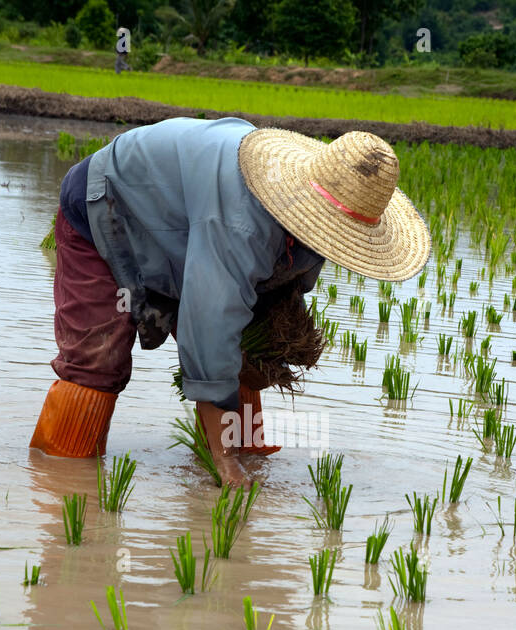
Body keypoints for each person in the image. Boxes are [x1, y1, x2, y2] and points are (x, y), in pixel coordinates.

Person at [29, 117, 430, 486]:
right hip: (108, 205)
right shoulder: (242, 221)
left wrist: (270, 341)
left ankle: (245, 447)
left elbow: (275, 295)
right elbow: (208, 327)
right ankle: (61, 473)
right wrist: (225, 467)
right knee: (98, 363)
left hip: (183, 221)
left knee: (250, 339)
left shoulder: (310, 226)